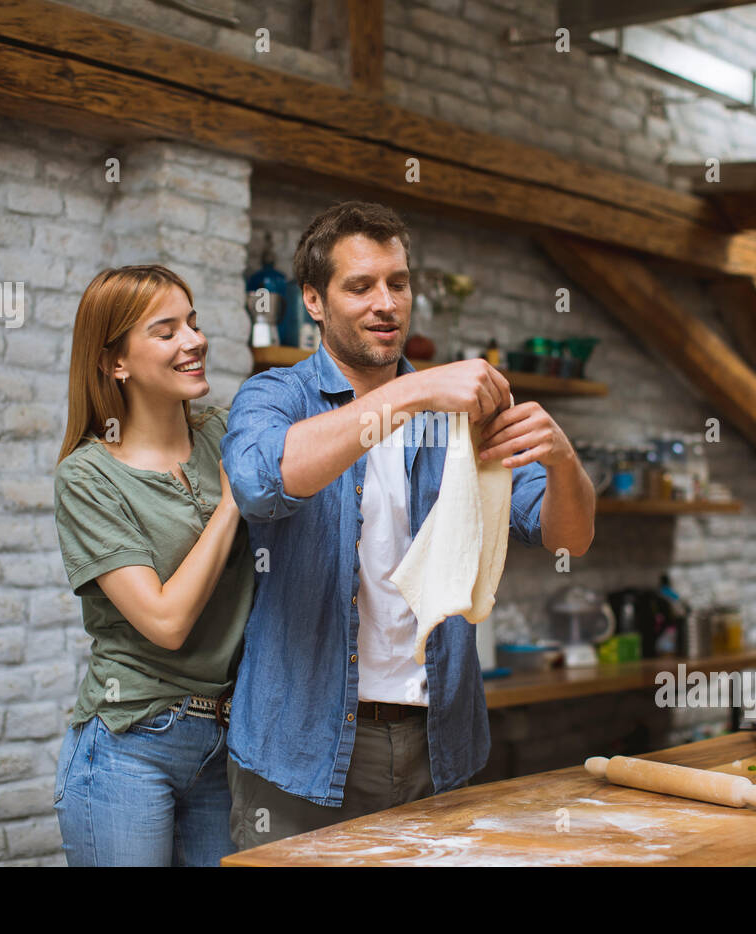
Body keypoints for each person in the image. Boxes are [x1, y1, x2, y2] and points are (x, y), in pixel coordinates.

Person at [221, 201, 596, 850]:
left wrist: (563, 461)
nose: (385, 302)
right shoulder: (275, 397)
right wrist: (412, 393)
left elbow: (570, 537)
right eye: (359, 286)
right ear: (313, 300)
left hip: (438, 741)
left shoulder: (463, 413)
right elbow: (260, 481)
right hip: (301, 748)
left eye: (398, 282)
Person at [51, 265, 252, 866]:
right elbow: (165, 622)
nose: (193, 340)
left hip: (224, 744)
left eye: (192, 322)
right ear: (116, 362)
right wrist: (234, 501)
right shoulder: (87, 478)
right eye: (166, 331)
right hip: (129, 745)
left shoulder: (227, 432)